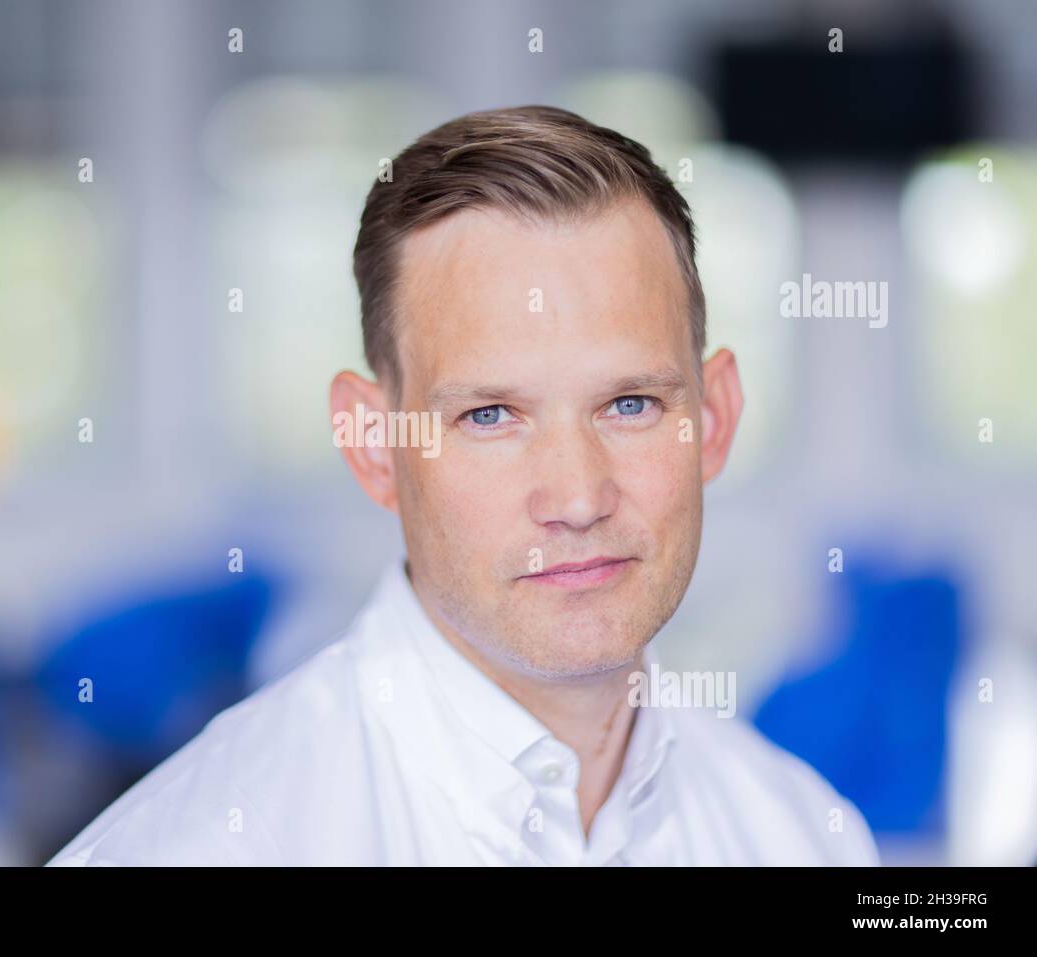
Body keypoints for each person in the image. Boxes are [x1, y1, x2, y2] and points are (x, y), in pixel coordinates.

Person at [49, 105, 879, 866]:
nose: (579, 497)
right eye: (490, 415)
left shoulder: (803, 834)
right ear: (374, 444)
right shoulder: (199, 846)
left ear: (717, 417)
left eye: (629, 403)